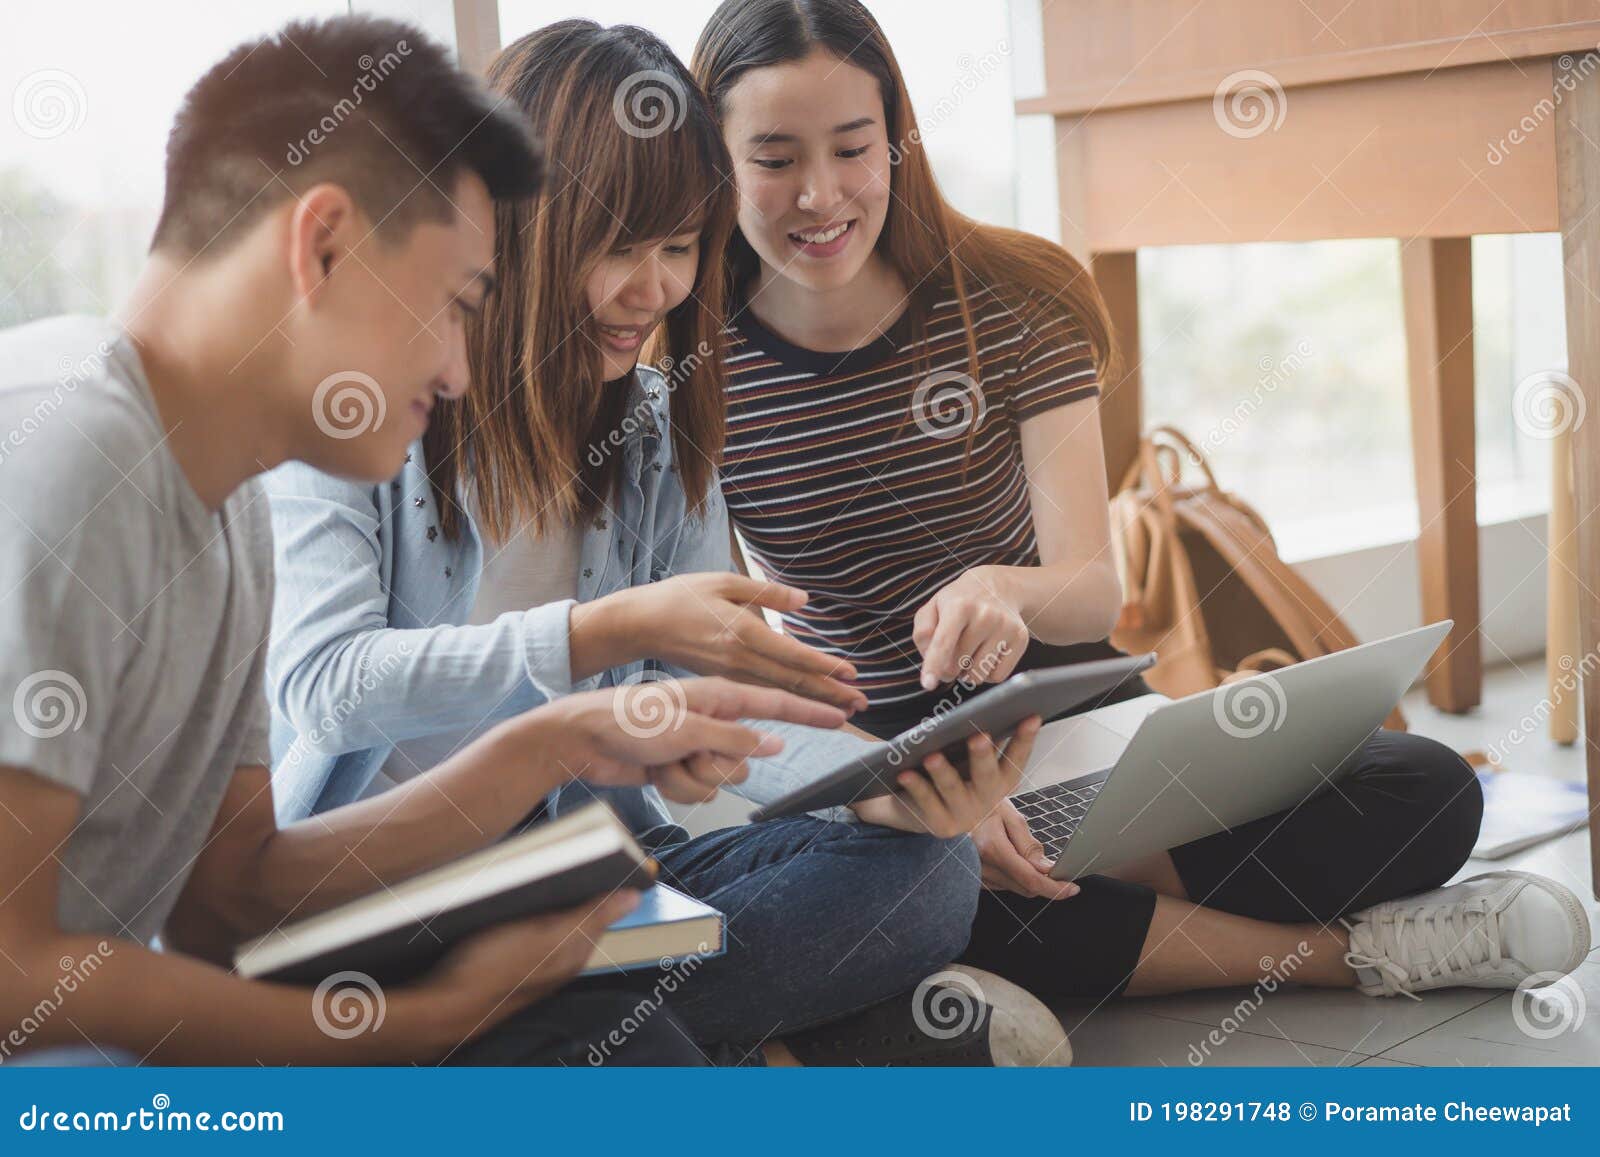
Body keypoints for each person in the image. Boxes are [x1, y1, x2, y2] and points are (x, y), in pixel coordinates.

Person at [691, 0, 1592, 1006]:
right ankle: (1354, 953)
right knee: (899, 884)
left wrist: (999, 587)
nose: (820, 194)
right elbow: (718, 650)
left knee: (1425, 790)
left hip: (1075, 726)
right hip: (884, 771)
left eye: (852, 147)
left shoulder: (1015, 298)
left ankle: (1049, 905)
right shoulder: (690, 370)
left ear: (897, 139)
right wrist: (892, 796)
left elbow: (1091, 592)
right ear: (714, 161)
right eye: (773, 158)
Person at [0, 16, 845, 1068]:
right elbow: (13, 971)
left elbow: (230, 901)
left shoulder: (226, 511)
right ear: (323, 246)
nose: (457, 369)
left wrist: (548, 745)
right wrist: (421, 1020)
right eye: (454, 306)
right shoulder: (65, 442)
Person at [262, 20, 1066, 1067]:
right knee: (594, 1019)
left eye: (680, 247)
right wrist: (599, 632)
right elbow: (326, 685)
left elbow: (730, 685)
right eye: (617, 247)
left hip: (599, 873)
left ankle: (618, 1043)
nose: (654, 291)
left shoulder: (651, 423)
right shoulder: (352, 406)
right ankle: (735, 1040)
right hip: (390, 897)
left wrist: (886, 781)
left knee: (926, 871)